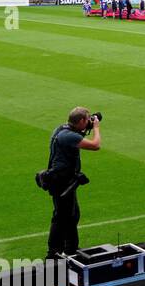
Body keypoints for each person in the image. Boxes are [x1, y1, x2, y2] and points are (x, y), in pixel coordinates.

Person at [43, 107, 101, 257]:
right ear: (81, 120)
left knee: (72, 215)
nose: (89, 122)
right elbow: (95, 145)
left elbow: (77, 135)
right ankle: (54, 252)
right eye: (87, 119)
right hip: (62, 182)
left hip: (63, 179)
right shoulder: (69, 136)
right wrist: (96, 128)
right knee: (62, 216)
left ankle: (71, 248)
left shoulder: (61, 129)